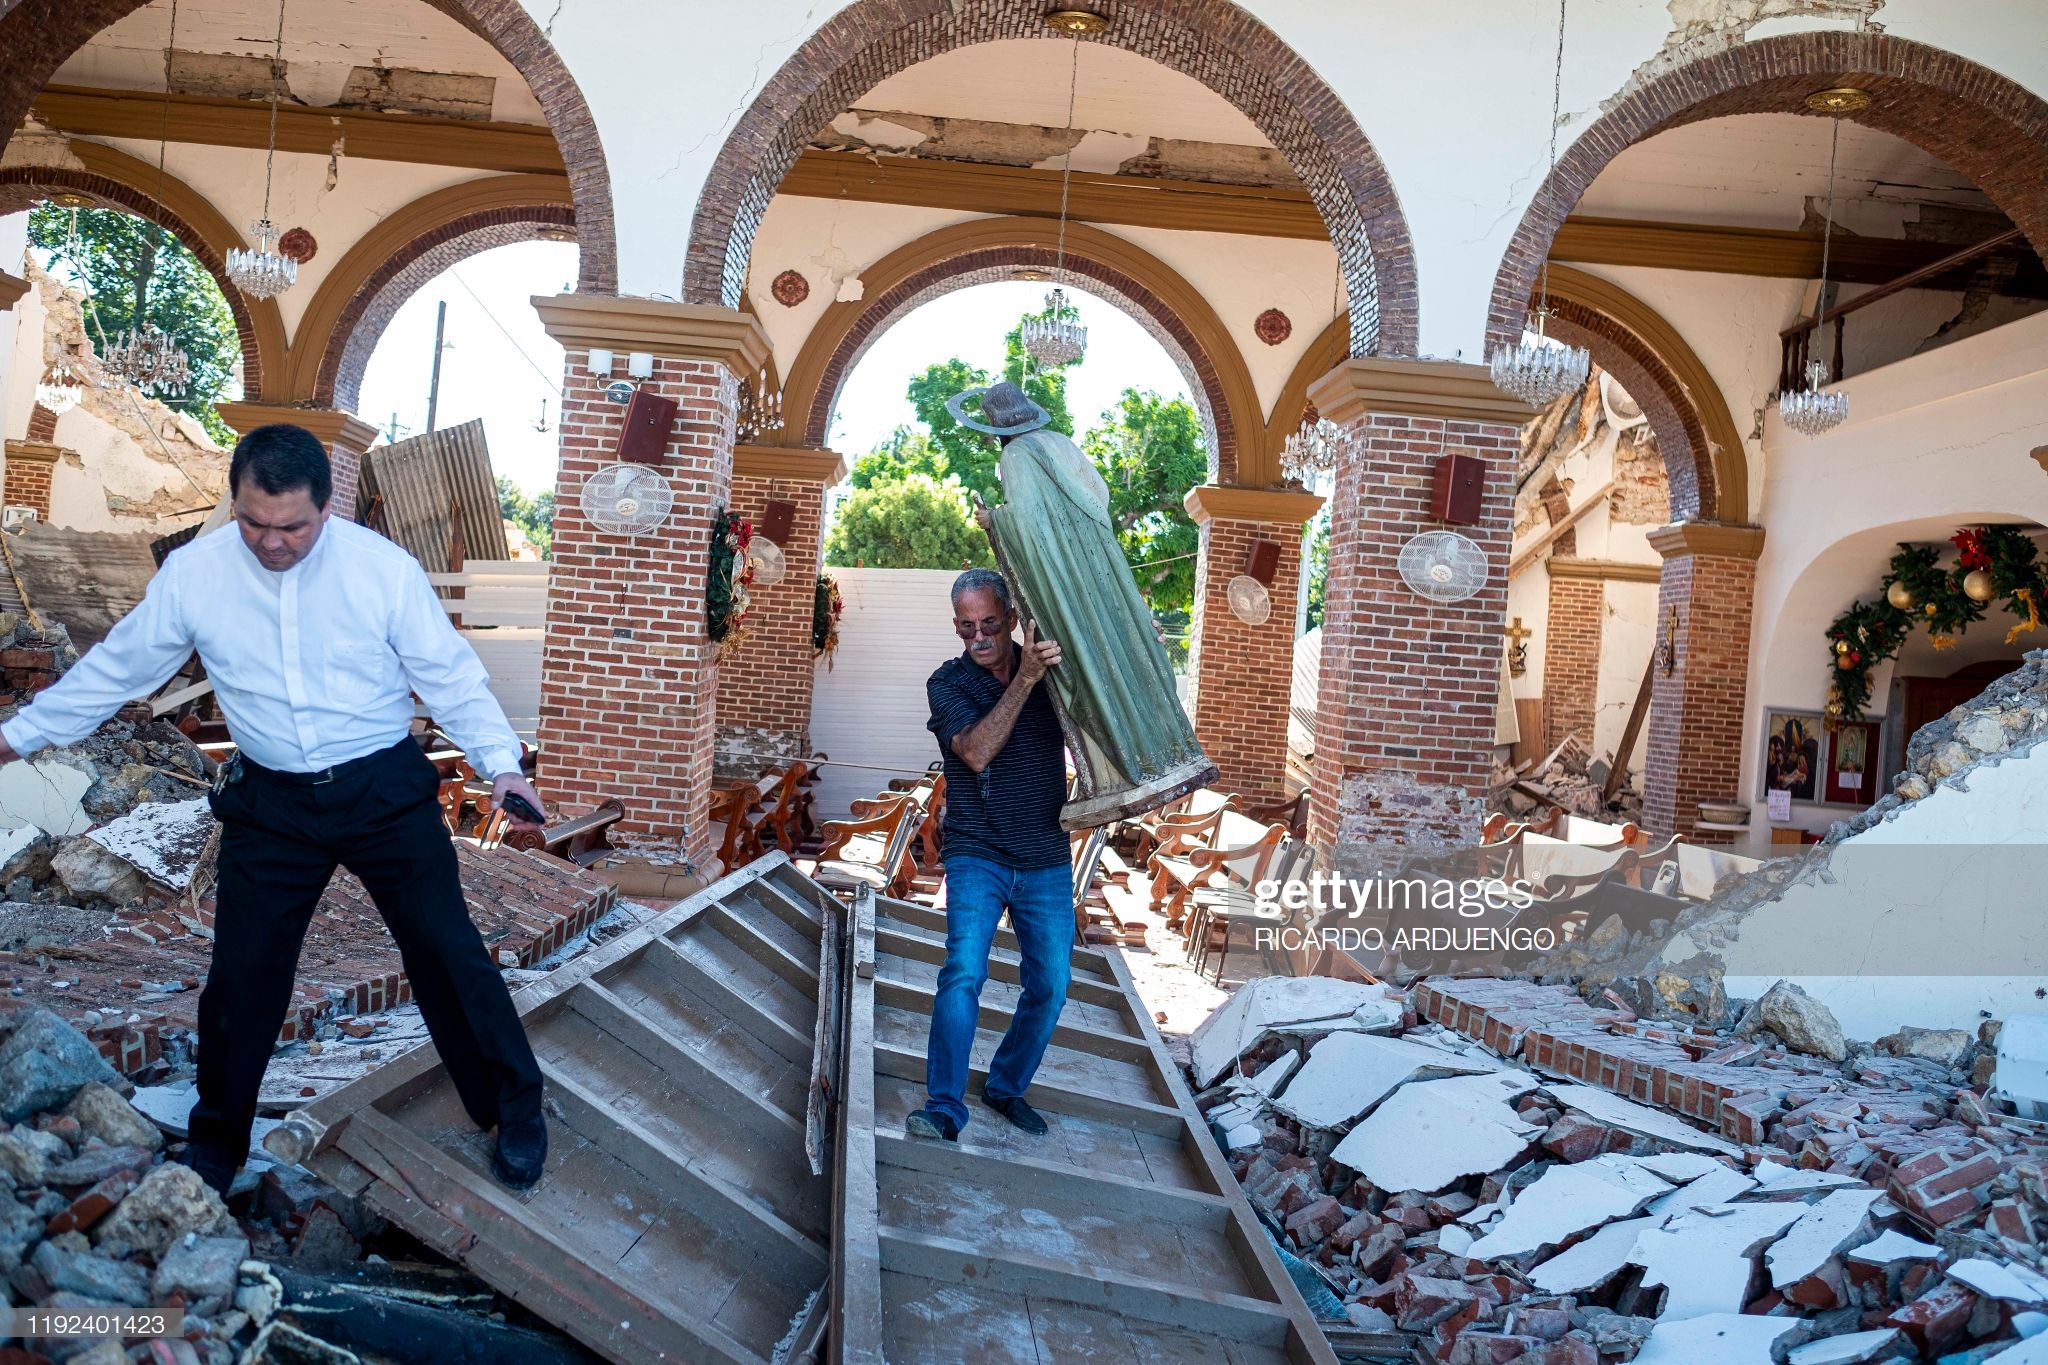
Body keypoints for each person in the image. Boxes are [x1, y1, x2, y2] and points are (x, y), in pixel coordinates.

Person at [0, 425, 551, 1194]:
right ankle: (217, 1144)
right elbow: (115, 670)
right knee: (243, 974)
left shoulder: (380, 571)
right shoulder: (196, 575)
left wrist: (501, 766)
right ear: (236, 502)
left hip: (381, 791)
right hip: (271, 801)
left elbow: (451, 677)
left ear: (326, 509)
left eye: (291, 526)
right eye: (254, 522)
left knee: (445, 950)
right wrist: (16, 737)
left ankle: (512, 1109)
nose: (271, 541)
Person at [949, 382, 1216, 829]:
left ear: (997, 429)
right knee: (1120, 646)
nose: (979, 635)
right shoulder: (1060, 443)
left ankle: (1126, 771)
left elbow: (1027, 520)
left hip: (1063, 579)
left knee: (1083, 663)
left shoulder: (1016, 455)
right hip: (1098, 567)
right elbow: (1098, 498)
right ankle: (1162, 753)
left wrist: (993, 519)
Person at [909, 567, 1070, 1142]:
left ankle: (1006, 1086)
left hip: (1045, 854)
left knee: (1051, 985)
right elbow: (976, 752)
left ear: (1012, 619)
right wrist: (1024, 681)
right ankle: (944, 1108)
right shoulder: (948, 683)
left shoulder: (1051, 671)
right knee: (963, 973)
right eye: (966, 627)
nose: (978, 638)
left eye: (990, 625)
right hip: (977, 852)